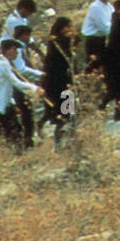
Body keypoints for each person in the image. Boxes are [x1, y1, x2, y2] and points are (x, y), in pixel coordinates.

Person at [0, 40, 42, 154]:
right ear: (7, 51)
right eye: (14, 49)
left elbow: (7, 87)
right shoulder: (2, 64)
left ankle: (18, 155)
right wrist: (35, 88)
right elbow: (16, 83)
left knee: (14, 130)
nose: (16, 52)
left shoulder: (4, 64)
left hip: (2, 106)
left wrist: (12, 103)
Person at [41, 16, 75, 146]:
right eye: (65, 27)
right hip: (56, 81)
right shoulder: (56, 43)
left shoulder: (66, 41)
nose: (68, 30)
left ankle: (66, 136)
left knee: (68, 107)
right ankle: (59, 139)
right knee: (61, 110)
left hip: (66, 79)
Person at [81, 0, 114, 75]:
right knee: (93, 69)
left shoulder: (109, 7)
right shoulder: (95, 7)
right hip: (94, 42)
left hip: (103, 40)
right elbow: (104, 28)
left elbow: (114, 23)